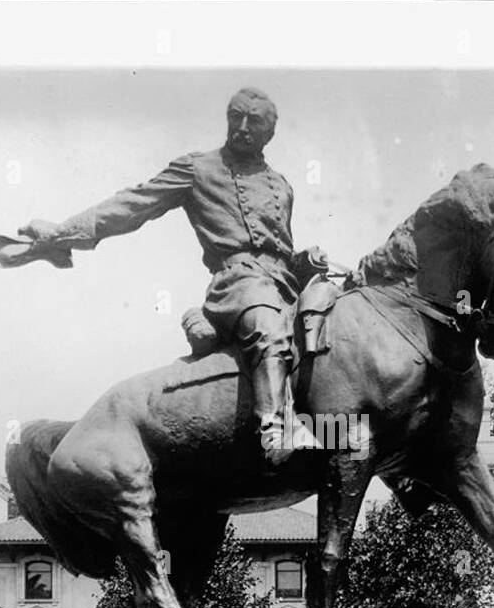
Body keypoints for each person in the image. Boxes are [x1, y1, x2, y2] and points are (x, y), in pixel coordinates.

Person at [18, 86, 322, 465]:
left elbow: (276, 248)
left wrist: (305, 263)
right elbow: (132, 205)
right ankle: (274, 434)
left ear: (269, 132)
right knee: (268, 328)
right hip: (238, 285)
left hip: (285, 286)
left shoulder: (282, 184)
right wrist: (62, 233)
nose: (242, 127)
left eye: (254, 121)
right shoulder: (199, 168)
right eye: (235, 117)